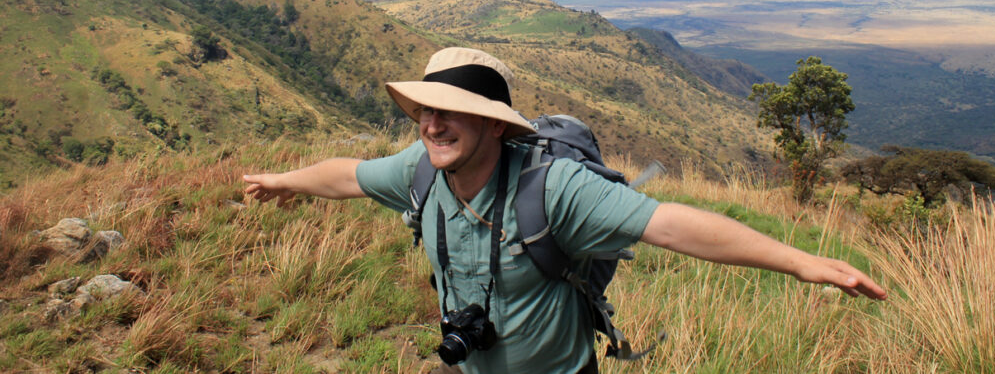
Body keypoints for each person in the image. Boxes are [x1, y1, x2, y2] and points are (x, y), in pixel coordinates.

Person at [243, 47, 887, 374]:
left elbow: (670, 223)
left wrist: (801, 262)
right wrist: (285, 180)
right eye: (423, 112)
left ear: (495, 125)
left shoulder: (553, 191)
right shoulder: (419, 173)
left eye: (449, 113)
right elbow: (345, 177)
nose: (432, 126)